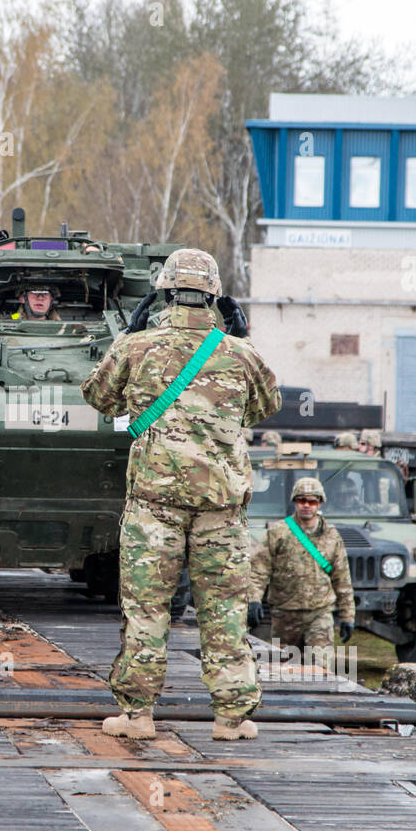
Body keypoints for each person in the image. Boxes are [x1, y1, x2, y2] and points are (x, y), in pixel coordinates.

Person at [81, 247, 282, 742]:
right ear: (216, 296)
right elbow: (265, 406)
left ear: (164, 291)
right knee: (225, 610)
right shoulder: (240, 354)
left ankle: (138, 716)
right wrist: (240, 340)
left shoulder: (136, 347)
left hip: (153, 508)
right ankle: (231, 720)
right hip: (222, 509)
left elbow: (98, 398)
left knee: (146, 609)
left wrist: (128, 335)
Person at [249, 477, 355, 669]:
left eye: (312, 501)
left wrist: (348, 616)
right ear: (295, 502)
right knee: (284, 670)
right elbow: (259, 569)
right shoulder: (278, 532)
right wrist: (254, 599)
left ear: (320, 503)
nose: (306, 506)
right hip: (284, 615)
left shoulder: (332, 536)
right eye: (301, 501)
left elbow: (342, 579)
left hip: (319, 613)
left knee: (321, 668)